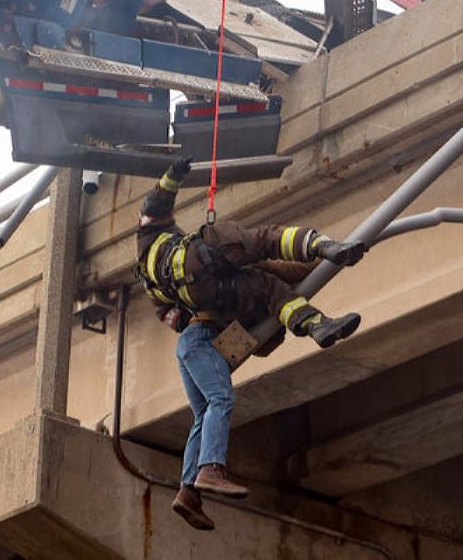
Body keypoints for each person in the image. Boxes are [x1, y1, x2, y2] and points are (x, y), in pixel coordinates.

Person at [135, 158, 365, 531]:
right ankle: (211, 469)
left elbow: (173, 319)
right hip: (200, 338)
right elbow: (156, 206)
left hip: (193, 338)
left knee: (202, 414)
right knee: (222, 396)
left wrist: (209, 307)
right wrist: (175, 171)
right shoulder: (215, 241)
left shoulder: (150, 272)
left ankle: (188, 492)